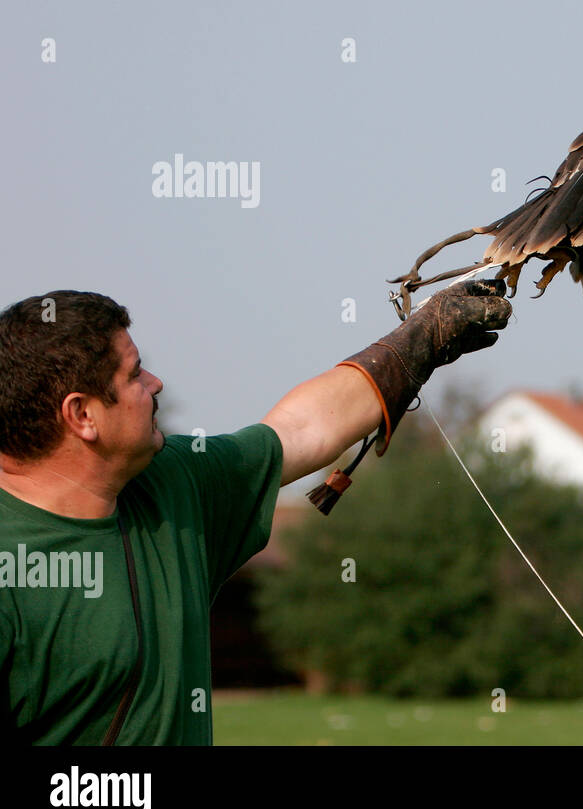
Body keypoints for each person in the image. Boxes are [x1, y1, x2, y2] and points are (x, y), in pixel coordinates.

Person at [0, 283, 510, 744]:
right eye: (134, 374)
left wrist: (421, 337)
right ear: (82, 415)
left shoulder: (173, 483)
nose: (155, 383)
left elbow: (300, 432)